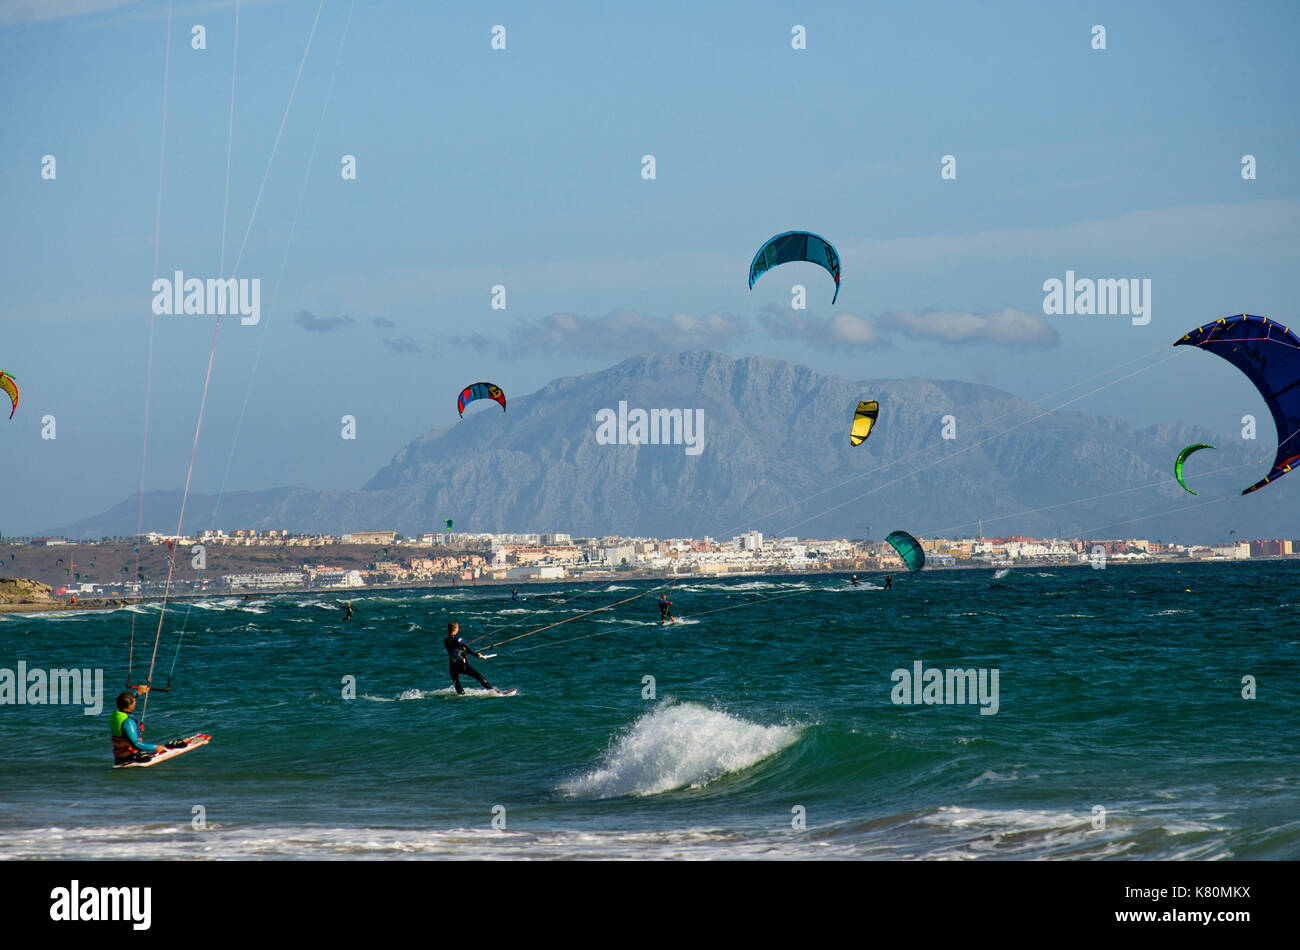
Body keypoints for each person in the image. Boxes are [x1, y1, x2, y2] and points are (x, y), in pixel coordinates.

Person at [110, 686, 162, 765]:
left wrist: (138, 693)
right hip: (131, 757)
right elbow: (136, 744)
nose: (135, 703)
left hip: (118, 757)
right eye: (134, 702)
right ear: (129, 705)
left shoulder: (115, 715)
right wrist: (156, 748)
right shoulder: (128, 722)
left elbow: (126, 701)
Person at [444, 621, 493, 695]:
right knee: (478, 676)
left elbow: (455, 650)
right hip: (462, 665)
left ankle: (461, 696)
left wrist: (463, 649)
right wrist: (477, 655)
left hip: (452, 666)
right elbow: (470, 650)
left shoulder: (446, 640)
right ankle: (493, 692)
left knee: (457, 685)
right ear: (456, 629)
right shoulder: (459, 639)